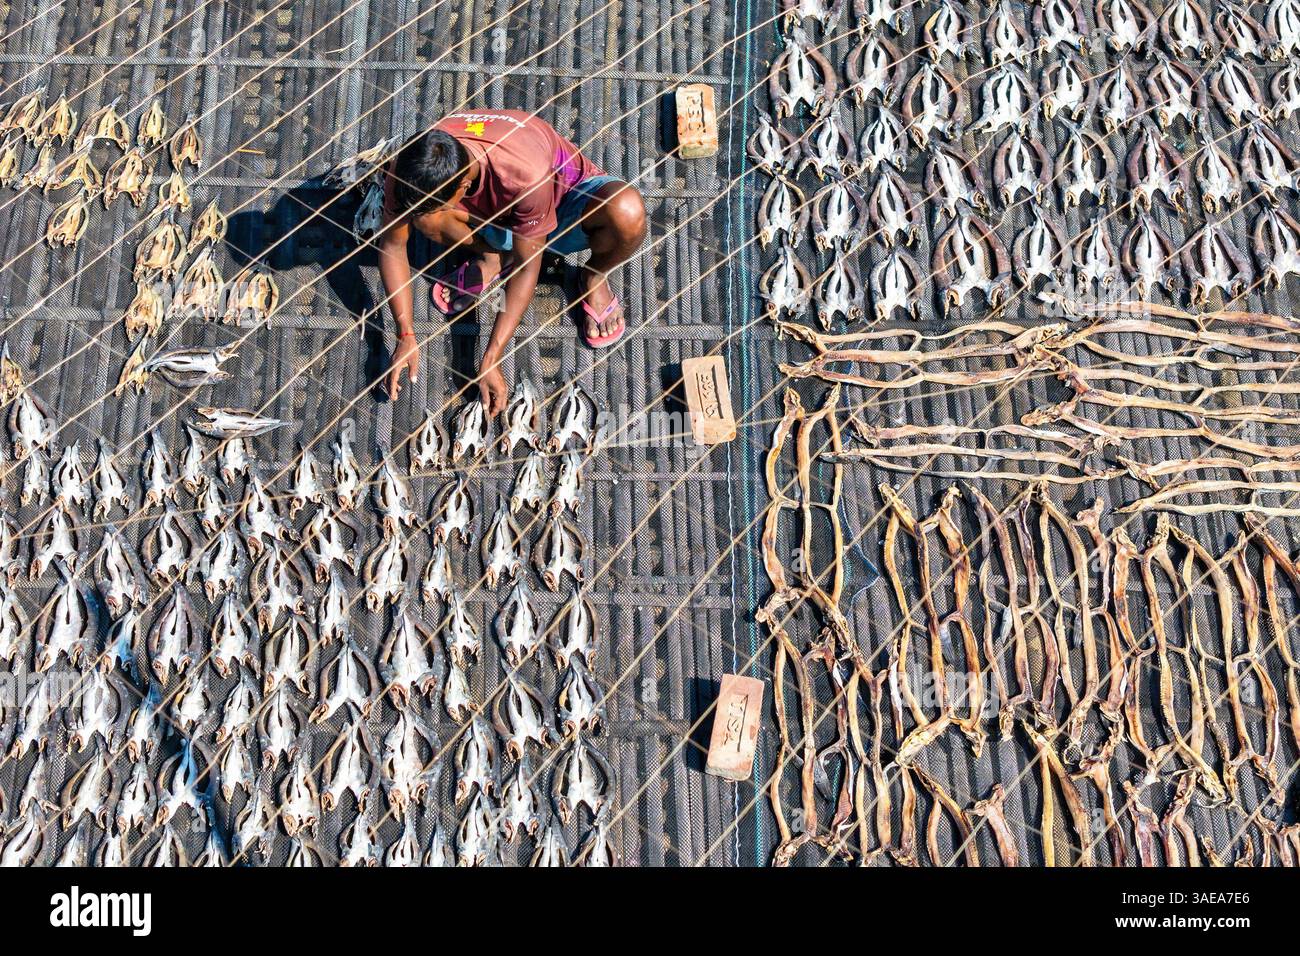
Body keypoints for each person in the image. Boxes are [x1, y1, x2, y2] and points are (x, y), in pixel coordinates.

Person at [376, 109, 648, 413]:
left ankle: (593, 275)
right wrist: (405, 333)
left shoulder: (522, 173)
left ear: (463, 187)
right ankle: (492, 255)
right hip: (507, 215)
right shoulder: (411, 165)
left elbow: (526, 267)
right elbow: (392, 245)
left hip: (561, 200)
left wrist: (492, 357)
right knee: (426, 219)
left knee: (627, 211)